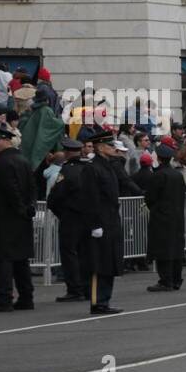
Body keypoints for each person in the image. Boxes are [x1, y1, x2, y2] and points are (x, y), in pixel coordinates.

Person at [0, 126, 37, 313]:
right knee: (21, 260)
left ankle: (4, 298)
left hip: (5, 219)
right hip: (21, 219)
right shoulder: (23, 160)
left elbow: (10, 189)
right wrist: (29, 208)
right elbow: (31, 187)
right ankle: (26, 297)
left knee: (4, 259)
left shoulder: (3, 162)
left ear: (5, 140)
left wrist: (20, 208)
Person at [80, 128, 126, 314]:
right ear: (99, 147)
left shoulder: (109, 166)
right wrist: (94, 224)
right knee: (99, 262)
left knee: (109, 261)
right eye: (109, 145)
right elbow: (90, 198)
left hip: (111, 220)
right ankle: (96, 300)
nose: (113, 148)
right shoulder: (92, 168)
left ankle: (105, 299)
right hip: (99, 221)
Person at [46, 137, 92, 302]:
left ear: (66, 153)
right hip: (87, 218)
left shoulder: (67, 171)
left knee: (69, 253)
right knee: (85, 253)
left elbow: (55, 196)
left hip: (71, 217)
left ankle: (74, 289)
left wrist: (60, 212)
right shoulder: (88, 169)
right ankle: (87, 287)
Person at [142, 142, 186, 291]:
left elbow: (150, 198)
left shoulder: (158, 175)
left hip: (161, 217)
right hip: (176, 215)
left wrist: (155, 208)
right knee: (176, 248)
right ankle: (176, 279)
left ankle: (165, 280)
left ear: (159, 159)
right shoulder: (177, 175)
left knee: (163, 249)